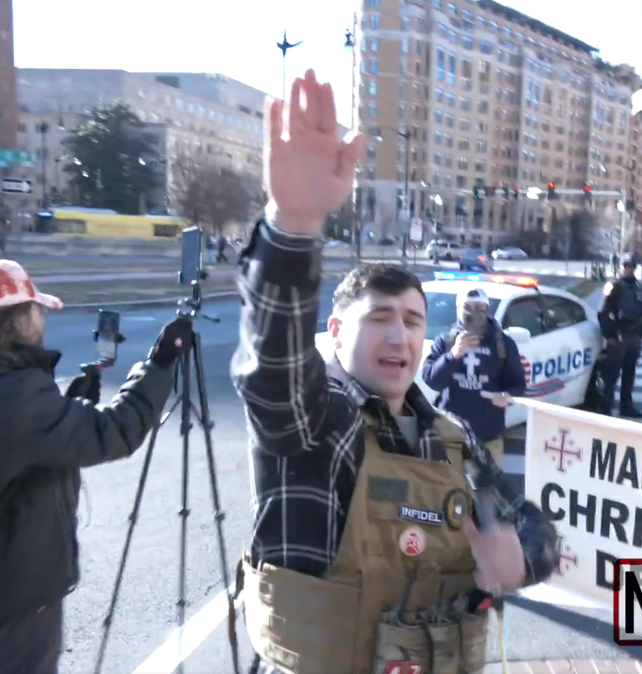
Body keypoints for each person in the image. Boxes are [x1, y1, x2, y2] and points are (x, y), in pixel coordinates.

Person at [230, 69, 559, 674]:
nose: (399, 335)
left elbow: (532, 525)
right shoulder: (318, 426)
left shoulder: (455, 441)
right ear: (335, 334)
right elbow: (273, 368)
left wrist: (526, 557)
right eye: (378, 317)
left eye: (412, 321)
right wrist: (293, 228)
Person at [0, 258, 191, 674]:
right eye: (36, 309)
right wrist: (160, 364)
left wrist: (64, 410)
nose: (42, 318)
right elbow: (115, 432)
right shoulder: (17, 398)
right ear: (18, 320)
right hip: (11, 603)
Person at [422, 287, 527, 467]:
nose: (474, 312)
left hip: (488, 435)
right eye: (468, 306)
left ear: (487, 310)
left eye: (480, 306)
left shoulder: (503, 344)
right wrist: (453, 355)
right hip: (450, 434)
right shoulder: (446, 342)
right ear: (458, 310)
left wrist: (506, 396)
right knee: (447, 488)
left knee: (488, 490)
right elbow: (432, 380)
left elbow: (518, 384)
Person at [595, 251, 642, 418]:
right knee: (611, 375)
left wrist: (640, 333)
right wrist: (609, 336)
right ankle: (606, 409)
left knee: (629, 373)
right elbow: (602, 312)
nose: (629, 269)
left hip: (634, 334)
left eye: (631, 266)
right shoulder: (614, 285)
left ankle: (626, 406)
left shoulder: (637, 285)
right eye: (626, 266)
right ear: (620, 267)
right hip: (619, 335)